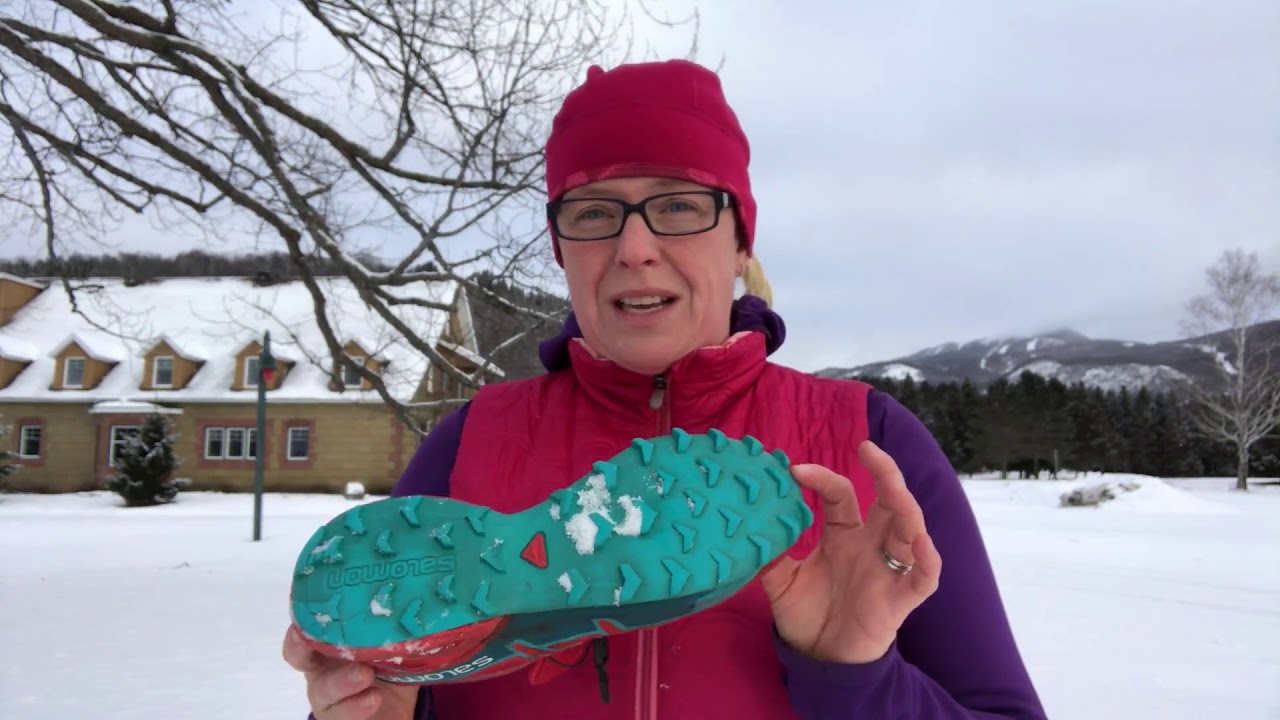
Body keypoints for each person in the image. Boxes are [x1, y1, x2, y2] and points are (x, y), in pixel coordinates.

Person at [283, 58, 1048, 720]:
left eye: (679, 205)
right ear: (561, 249)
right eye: (594, 213)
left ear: (742, 237)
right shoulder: (468, 442)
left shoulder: (869, 441)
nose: (635, 248)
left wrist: (856, 674)